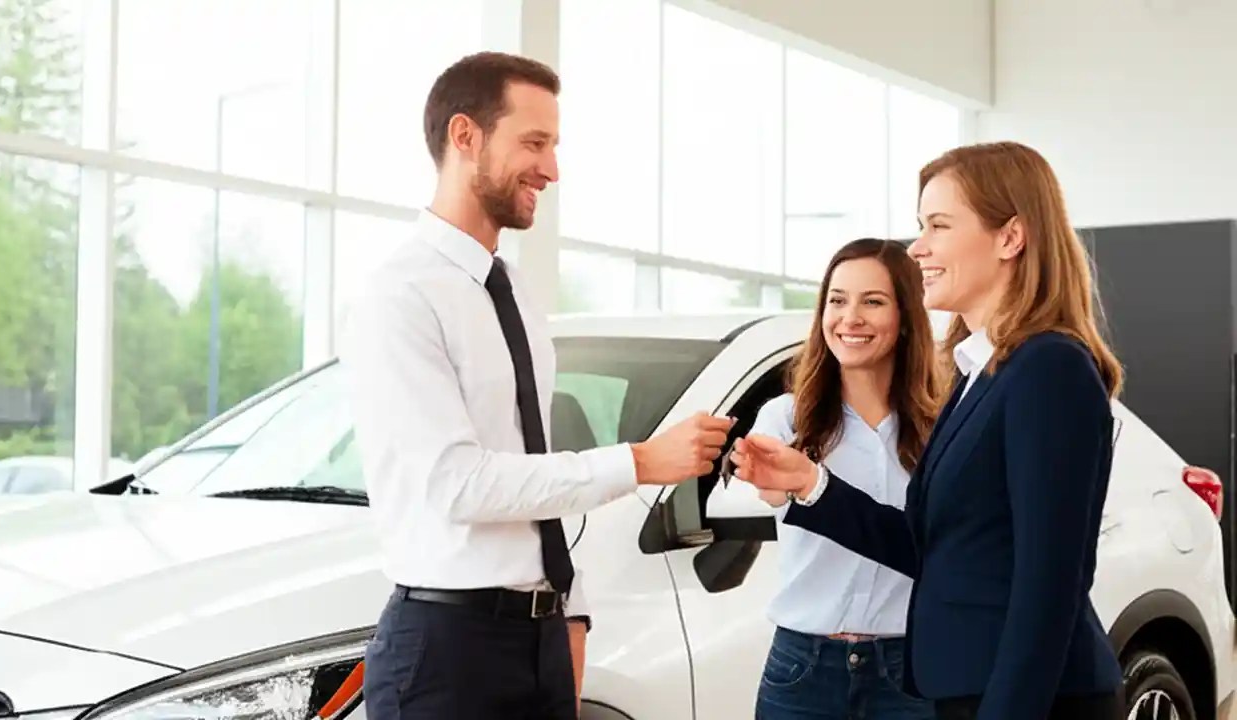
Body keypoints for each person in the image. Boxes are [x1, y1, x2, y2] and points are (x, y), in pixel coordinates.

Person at [337, 51, 734, 720]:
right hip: (448, 652)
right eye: (534, 143)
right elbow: (456, 483)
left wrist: (567, 613)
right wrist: (638, 463)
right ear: (465, 136)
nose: (551, 169)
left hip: (542, 642)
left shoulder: (513, 290)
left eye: (553, 145)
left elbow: (526, 458)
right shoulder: (400, 295)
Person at [729, 141, 1125, 720]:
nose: (918, 248)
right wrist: (812, 486)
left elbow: (1049, 584)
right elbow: (931, 547)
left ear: (1010, 238)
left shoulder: (1048, 367)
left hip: (1023, 699)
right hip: (968, 687)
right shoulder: (980, 376)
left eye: (938, 225)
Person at [729, 238, 942, 719]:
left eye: (873, 301)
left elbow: (940, 547)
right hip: (803, 671)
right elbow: (766, 492)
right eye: (837, 300)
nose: (850, 318)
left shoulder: (940, 425)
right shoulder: (786, 418)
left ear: (907, 317)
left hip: (908, 671)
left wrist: (810, 484)